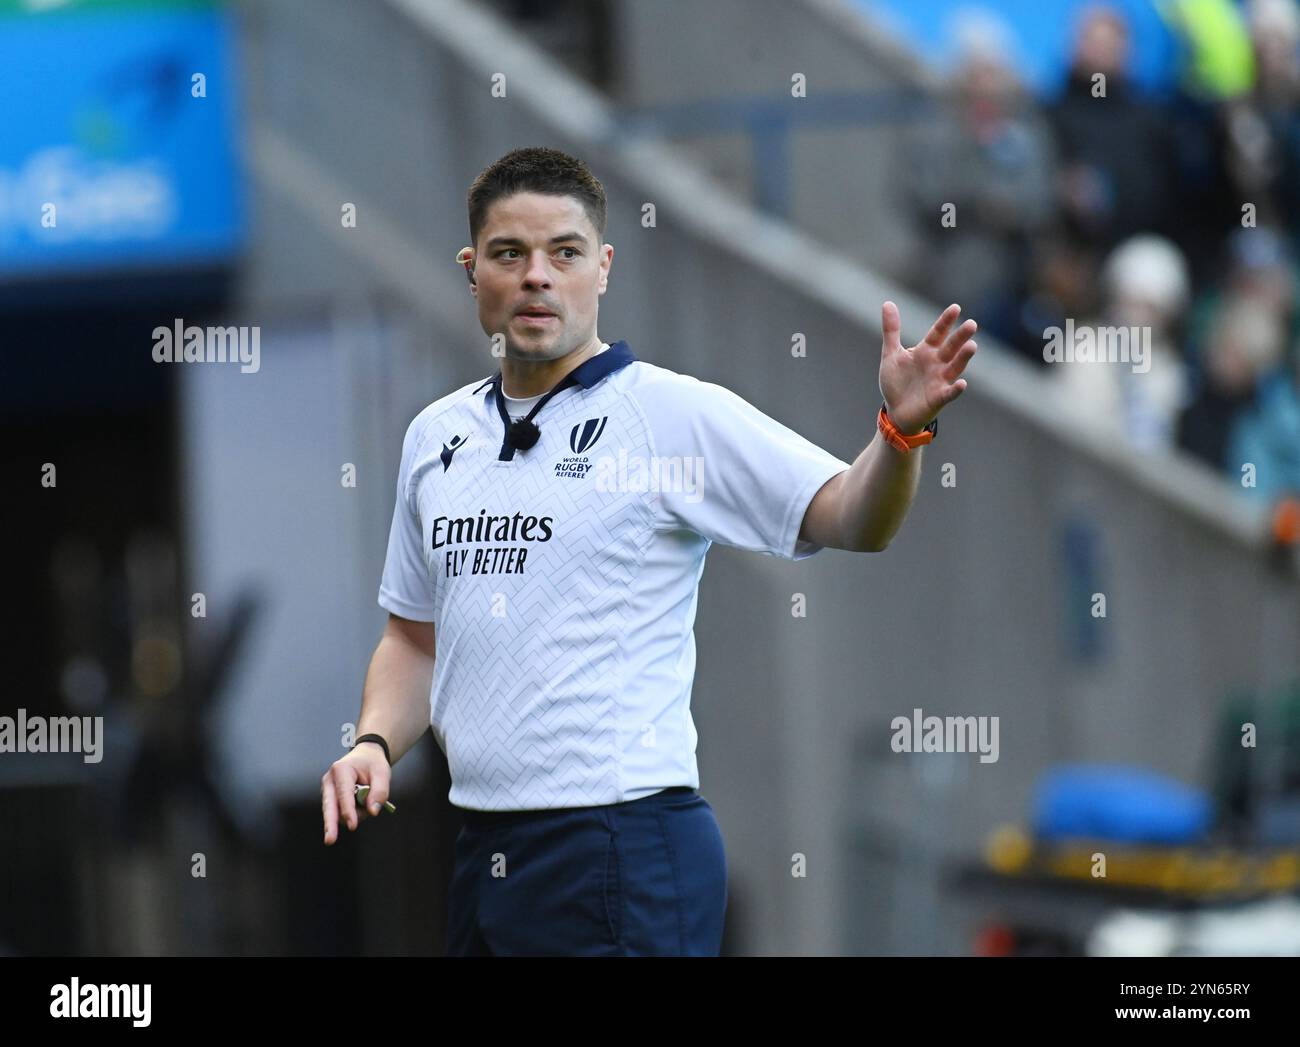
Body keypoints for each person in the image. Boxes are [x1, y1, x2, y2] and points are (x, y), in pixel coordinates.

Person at [319, 147, 977, 956]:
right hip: (484, 850)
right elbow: (413, 637)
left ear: (602, 268)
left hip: (619, 845)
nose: (536, 276)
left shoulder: (666, 416)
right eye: (508, 253)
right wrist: (372, 742)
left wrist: (902, 431)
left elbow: (851, 516)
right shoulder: (435, 436)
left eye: (563, 252)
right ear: (471, 269)